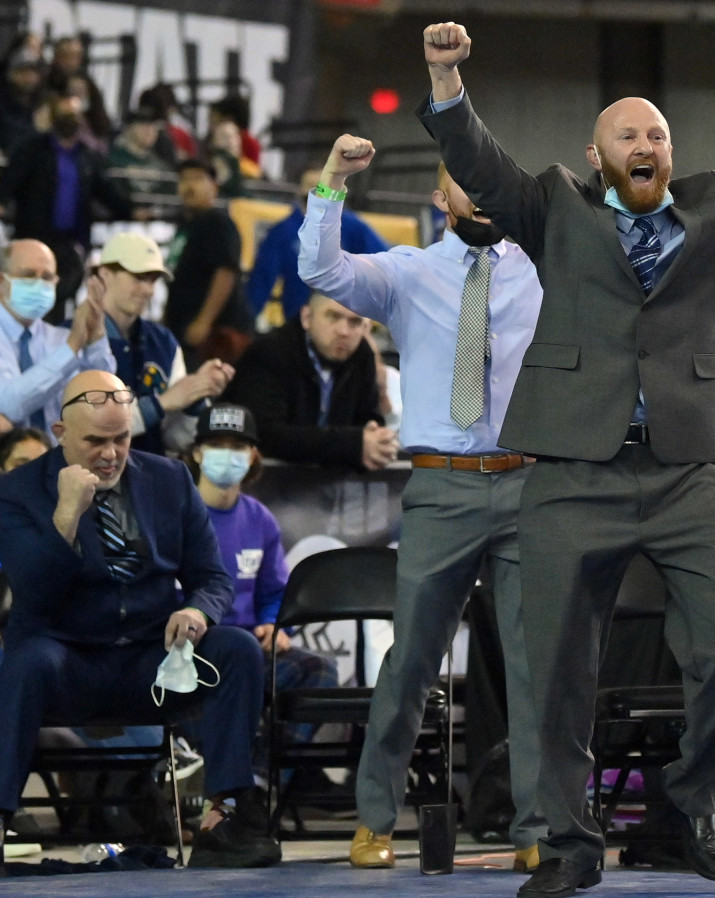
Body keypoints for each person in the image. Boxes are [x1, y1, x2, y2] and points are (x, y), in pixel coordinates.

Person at [418, 21, 715, 895]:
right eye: (629, 135)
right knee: (557, 669)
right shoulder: (552, 203)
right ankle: (572, 846)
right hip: (576, 470)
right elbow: (480, 163)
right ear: (597, 153)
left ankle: (692, 804)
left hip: (689, 466)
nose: (647, 145)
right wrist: (445, 77)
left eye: (657, 134)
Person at [299, 142, 547, 871]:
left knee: (536, 666)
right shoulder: (406, 273)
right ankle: (375, 818)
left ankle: (537, 826)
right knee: (410, 660)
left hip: (528, 482)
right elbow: (320, 270)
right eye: (466, 184)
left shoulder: (541, 271)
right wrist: (334, 182)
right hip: (441, 487)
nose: (482, 194)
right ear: (443, 198)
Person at [0, 369, 281, 867]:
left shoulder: (169, 478)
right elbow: (33, 593)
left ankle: (227, 816)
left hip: (153, 662)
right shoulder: (19, 490)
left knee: (236, 648)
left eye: (122, 438)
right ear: (61, 434)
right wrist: (66, 515)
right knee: (26, 661)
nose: (110, 454)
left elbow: (212, 577)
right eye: (95, 441)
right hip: (69, 660)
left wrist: (196, 610)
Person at [186, 403, 337, 782]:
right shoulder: (178, 514)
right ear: (197, 452)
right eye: (216, 444)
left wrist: (274, 625)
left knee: (317, 670)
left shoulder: (259, 519)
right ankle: (215, 772)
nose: (227, 454)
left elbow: (275, 591)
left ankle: (262, 779)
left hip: (252, 648)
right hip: (191, 651)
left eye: (237, 446)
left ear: (253, 455)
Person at [0, 92, 134, 324]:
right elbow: (12, 178)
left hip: (70, 241)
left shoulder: (86, 156)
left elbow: (104, 190)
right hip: (35, 237)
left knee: (60, 296)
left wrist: (132, 210)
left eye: (73, 114)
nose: (70, 119)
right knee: (26, 295)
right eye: (64, 114)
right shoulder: (32, 148)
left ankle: (51, 342)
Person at [96, 232, 233, 455]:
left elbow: (175, 441)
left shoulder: (163, 342)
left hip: (150, 479)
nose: (148, 290)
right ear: (105, 274)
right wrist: (161, 403)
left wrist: (195, 396)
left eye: (153, 280)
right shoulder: (72, 337)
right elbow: (87, 429)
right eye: (139, 277)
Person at [224, 293, 396, 470]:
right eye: (333, 316)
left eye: (355, 322)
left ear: (366, 327)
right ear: (307, 318)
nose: (344, 331)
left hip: (331, 487)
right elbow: (267, 435)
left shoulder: (362, 355)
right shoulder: (269, 352)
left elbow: (369, 418)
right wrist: (354, 443)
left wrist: (376, 439)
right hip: (265, 483)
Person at [0, 239, 116, 437]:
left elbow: (101, 400)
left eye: (47, 277)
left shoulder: (59, 340)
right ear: (2, 281)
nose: (39, 284)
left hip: (57, 461)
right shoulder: (69, 345)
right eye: (28, 275)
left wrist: (96, 339)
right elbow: (9, 404)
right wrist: (72, 347)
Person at [246, 168, 388, 323]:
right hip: (298, 322)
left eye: (323, 185)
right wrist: (246, 324)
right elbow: (261, 281)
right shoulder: (282, 233)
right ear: (300, 189)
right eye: (310, 185)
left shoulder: (352, 227)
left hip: (344, 321)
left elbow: (384, 264)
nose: (316, 190)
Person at [164, 158, 255, 366]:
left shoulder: (218, 223)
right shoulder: (186, 225)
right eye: (184, 180)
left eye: (197, 179)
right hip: (185, 329)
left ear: (214, 186)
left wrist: (204, 322)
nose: (189, 186)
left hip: (215, 336)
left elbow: (226, 271)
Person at [106, 105, 176, 200]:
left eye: (153, 126)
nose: (150, 130)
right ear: (129, 128)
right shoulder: (114, 160)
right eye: (144, 125)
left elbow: (170, 191)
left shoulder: (161, 165)